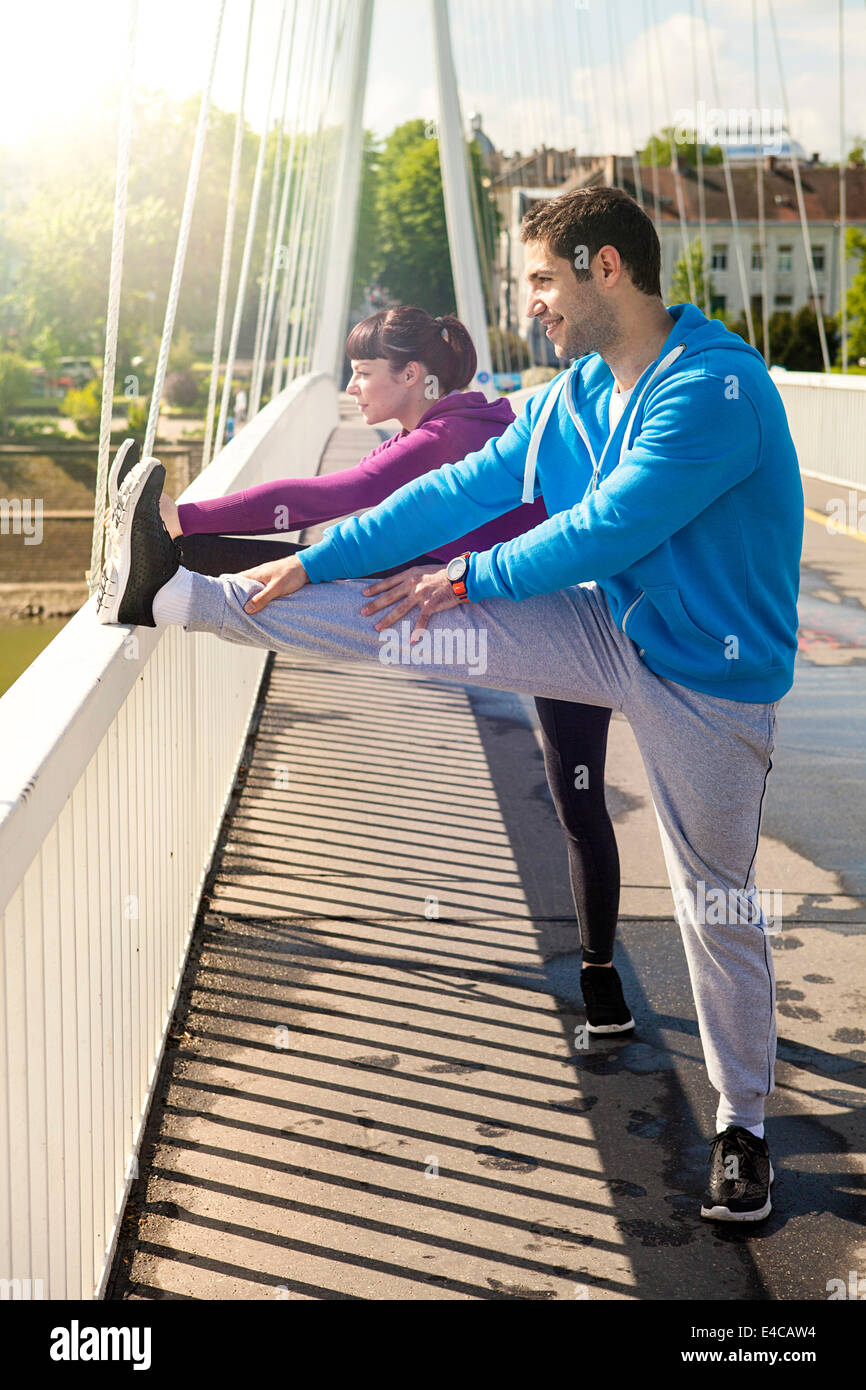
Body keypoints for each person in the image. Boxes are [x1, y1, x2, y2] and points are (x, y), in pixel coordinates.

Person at [97, 185, 803, 1222]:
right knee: (404, 609)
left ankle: (742, 1125)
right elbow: (458, 493)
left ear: (605, 267)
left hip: (708, 679)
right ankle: (173, 592)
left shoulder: (712, 389)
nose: (530, 307)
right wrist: (318, 557)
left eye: (540, 280)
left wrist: (470, 577)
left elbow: (607, 526)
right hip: (614, 630)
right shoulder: (576, 397)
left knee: (714, 900)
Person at [151, 303, 634, 1035]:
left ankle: (164, 559)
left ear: (414, 376)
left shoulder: (441, 439)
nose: (351, 387)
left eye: (363, 371)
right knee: (579, 801)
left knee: (578, 800)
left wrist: (186, 516)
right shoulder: (460, 422)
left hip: (559, 615)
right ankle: (166, 568)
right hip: (526, 598)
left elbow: (328, 496)